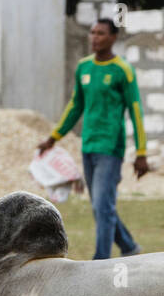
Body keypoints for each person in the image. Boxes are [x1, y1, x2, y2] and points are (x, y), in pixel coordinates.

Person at [38, 18, 148, 261]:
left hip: (111, 148)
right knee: (102, 206)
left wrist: (141, 152)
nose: (94, 37)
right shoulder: (84, 67)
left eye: (100, 33)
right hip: (88, 145)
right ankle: (129, 247)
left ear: (113, 38)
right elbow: (75, 106)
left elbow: (136, 110)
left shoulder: (123, 70)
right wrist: (53, 137)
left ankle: (101, 261)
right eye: (92, 33)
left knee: (101, 206)